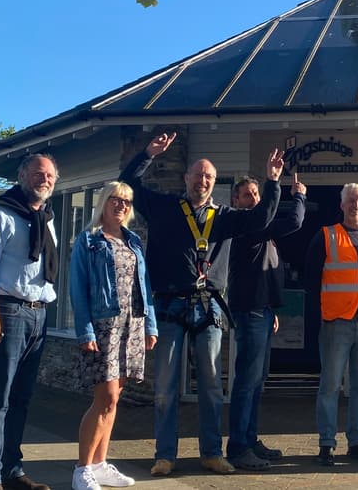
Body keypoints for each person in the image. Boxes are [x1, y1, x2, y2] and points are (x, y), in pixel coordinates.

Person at [120, 131, 284, 477]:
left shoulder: (224, 216)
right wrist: (147, 153)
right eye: (197, 175)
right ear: (186, 179)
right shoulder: (164, 207)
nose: (202, 180)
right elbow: (128, 183)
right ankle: (165, 455)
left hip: (208, 307)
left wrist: (272, 182)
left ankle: (211, 452)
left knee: (211, 385)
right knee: (165, 387)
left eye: (208, 176)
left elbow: (261, 218)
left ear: (214, 182)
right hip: (168, 305)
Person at [0, 153, 60, 490]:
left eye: (50, 175)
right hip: (8, 312)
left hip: (39, 313)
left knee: (22, 398)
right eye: (38, 173)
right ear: (22, 176)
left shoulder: (47, 217)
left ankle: (13, 470)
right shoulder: (1, 212)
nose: (44, 179)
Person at [68, 181, 157, 490]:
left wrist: (150, 325)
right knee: (103, 397)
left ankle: (100, 463)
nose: (121, 206)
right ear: (103, 203)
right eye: (116, 200)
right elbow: (78, 290)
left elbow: (143, 286)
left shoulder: (133, 241)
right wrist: (85, 330)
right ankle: (82, 469)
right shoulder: (88, 240)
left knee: (115, 398)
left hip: (132, 326)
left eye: (126, 202)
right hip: (104, 327)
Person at [225, 173, 308, 471]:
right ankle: (237, 448)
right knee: (247, 383)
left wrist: (272, 310)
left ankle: (249, 440)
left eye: (256, 194)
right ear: (236, 200)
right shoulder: (246, 224)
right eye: (247, 195)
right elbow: (295, 222)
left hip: (262, 311)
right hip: (251, 312)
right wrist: (299, 195)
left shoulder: (259, 226)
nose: (253, 199)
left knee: (257, 382)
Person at [306, 182, 358, 467]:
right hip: (336, 323)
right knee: (330, 385)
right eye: (351, 200)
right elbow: (311, 279)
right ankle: (326, 444)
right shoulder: (326, 236)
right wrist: (323, 313)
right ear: (341, 205)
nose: (356, 205)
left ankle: (357, 443)